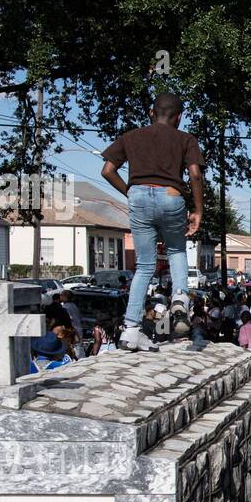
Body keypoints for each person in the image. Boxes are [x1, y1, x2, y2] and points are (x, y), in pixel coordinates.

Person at [101, 91, 205, 352]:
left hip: (137, 196)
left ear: (150, 112)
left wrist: (132, 193)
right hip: (171, 197)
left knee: (145, 266)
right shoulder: (185, 139)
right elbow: (195, 174)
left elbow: (107, 171)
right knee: (176, 250)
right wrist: (198, 210)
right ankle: (180, 298)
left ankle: (131, 331)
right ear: (179, 117)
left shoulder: (131, 136)